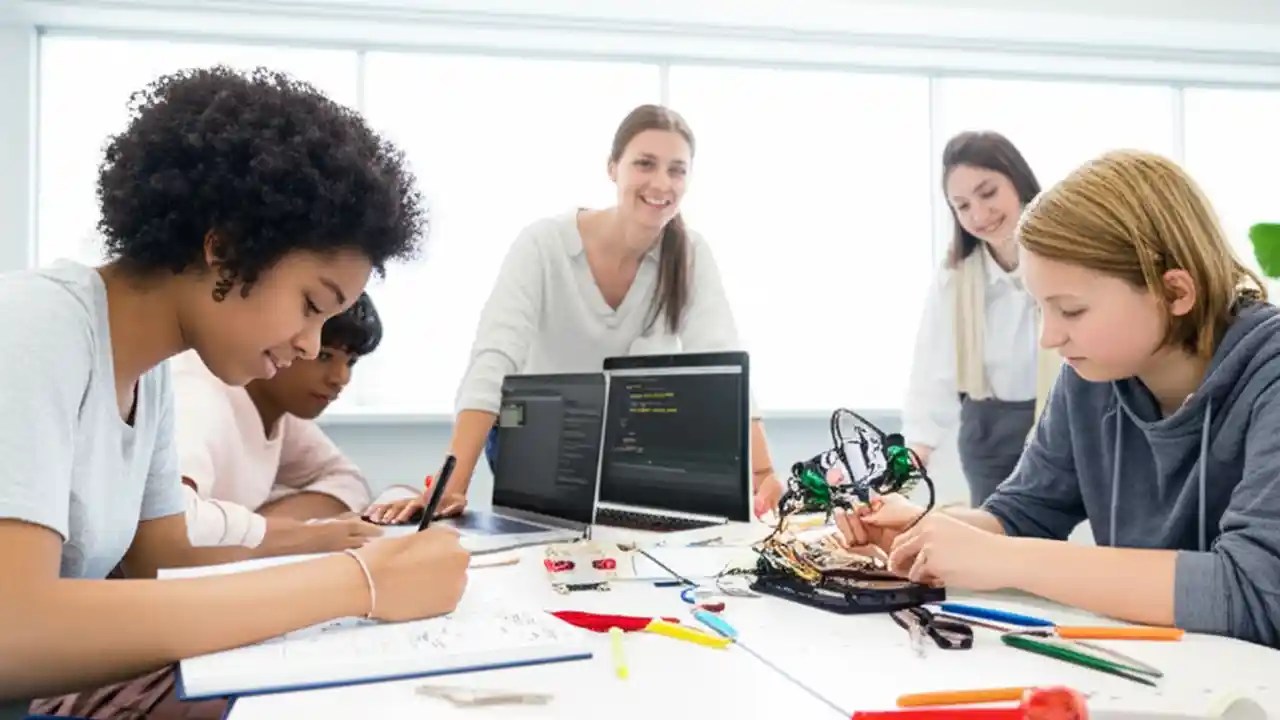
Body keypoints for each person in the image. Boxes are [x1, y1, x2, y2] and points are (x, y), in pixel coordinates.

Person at [1, 66, 468, 720]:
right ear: (227, 250)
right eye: (312, 305)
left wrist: (334, 543)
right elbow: (13, 627)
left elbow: (169, 555)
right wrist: (358, 584)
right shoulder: (35, 325)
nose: (311, 346)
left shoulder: (150, 372)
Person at [837, 149, 1280, 648]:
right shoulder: (1091, 375)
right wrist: (925, 534)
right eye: (1041, 309)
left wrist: (1001, 558)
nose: (1050, 338)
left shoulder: (1270, 374)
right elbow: (1023, 513)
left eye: (1071, 310)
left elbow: (1255, 591)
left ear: (1175, 292)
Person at [367, 103, 783, 524]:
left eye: (677, 170)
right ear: (612, 168)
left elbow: (722, 362)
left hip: (625, 447)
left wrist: (763, 472)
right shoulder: (544, 244)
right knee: (547, 548)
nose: (662, 182)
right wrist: (451, 486)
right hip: (535, 436)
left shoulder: (690, 253)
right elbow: (495, 359)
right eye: (645, 164)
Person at [172, 292, 392, 560]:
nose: (341, 378)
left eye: (351, 361)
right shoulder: (197, 398)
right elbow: (171, 525)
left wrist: (272, 527)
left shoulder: (278, 410)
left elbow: (348, 481)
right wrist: (301, 536)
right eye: (324, 356)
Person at [902, 130, 1059, 506]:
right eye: (962, 205)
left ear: (1018, 182)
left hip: (1064, 421)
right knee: (997, 545)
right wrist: (914, 453)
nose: (979, 214)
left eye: (988, 193)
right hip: (988, 431)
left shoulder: (1066, 258)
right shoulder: (955, 278)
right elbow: (931, 371)